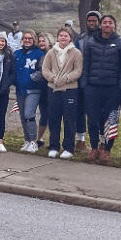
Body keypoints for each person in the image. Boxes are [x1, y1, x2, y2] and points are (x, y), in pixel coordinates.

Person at [80, 15, 121, 165]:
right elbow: (85, 65)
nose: (107, 25)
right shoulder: (91, 42)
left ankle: (106, 149)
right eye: (104, 22)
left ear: (114, 25)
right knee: (92, 120)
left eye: (110, 23)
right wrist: (84, 85)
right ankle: (94, 148)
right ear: (100, 25)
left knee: (111, 120)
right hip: (92, 87)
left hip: (112, 89)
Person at [42, 27, 82, 159]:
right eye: (61, 35)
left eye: (66, 36)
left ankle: (69, 148)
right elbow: (45, 69)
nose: (63, 38)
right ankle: (54, 146)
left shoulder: (76, 53)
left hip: (70, 89)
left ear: (70, 38)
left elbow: (78, 70)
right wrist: (53, 78)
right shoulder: (51, 52)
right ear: (57, 37)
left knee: (69, 119)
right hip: (53, 89)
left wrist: (65, 79)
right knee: (54, 118)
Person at [73, 10, 101, 152]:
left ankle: (99, 143)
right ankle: (81, 140)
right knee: (79, 111)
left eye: (94, 21)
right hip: (81, 79)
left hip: (97, 80)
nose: (92, 23)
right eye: (89, 21)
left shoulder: (104, 38)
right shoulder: (80, 38)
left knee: (95, 113)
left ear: (99, 22)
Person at [14, 30, 45, 153]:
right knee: (22, 116)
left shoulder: (39, 54)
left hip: (33, 89)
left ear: (34, 40)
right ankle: (27, 140)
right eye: (25, 38)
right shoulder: (17, 53)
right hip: (20, 89)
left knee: (29, 114)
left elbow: (42, 71)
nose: (27, 40)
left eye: (30, 38)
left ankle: (33, 141)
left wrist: (31, 78)